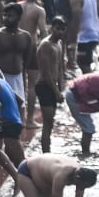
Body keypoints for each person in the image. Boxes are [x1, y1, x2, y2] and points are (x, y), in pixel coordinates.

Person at [36, 16, 66, 154]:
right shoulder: (46, 45)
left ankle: (47, 150)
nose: (60, 31)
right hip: (44, 85)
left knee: (50, 122)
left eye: (62, 29)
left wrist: (61, 86)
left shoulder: (59, 44)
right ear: (51, 28)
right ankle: (46, 153)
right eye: (57, 28)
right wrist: (56, 92)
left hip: (52, 86)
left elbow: (60, 67)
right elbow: (46, 72)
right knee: (47, 122)